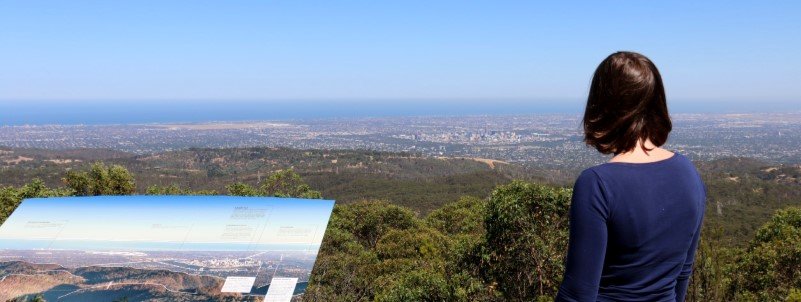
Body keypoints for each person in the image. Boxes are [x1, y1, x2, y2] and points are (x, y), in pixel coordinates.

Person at [555, 51, 706, 302]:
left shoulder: (597, 185)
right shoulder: (689, 174)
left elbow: (578, 293)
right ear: (656, 102)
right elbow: (683, 273)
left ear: (602, 104)